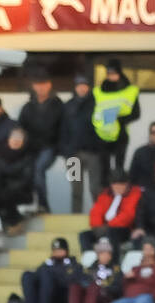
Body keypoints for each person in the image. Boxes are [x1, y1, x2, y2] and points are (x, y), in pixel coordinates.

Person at [18, 67, 64, 211]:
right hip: (31, 148)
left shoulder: (58, 105)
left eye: (44, 83)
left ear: (49, 85)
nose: (41, 87)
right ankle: (31, 205)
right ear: (33, 86)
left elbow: (64, 127)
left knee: (38, 170)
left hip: (50, 147)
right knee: (25, 171)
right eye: (38, 84)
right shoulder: (27, 107)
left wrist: (64, 147)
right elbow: (21, 129)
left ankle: (44, 205)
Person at [62, 76, 104, 214]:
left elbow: (103, 128)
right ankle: (75, 217)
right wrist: (66, 150)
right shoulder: (68, 106)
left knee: (95, 188)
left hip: (92, 153)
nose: (82, 88)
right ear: (75, 87)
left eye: (85, 85)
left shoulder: (97, 104)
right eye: (79, 85)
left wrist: (99, 147)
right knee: (76, 189)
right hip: (73, 155)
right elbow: (63, 129)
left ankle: (99, 216)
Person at [93, 59, 141, 173]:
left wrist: (119, 120)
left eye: (114, 73)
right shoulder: (99, 90)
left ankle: (118, 190)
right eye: (109, 73)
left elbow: (136, 113)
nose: (112, 76)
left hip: (121, 134)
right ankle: (106, 190)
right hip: (103, 134)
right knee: (104, 168)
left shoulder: (130, 90)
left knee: (119, 168)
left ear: (119, 73)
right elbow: (94, 112)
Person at [84, 169, 142, 253]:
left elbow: (128, 215)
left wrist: (108, 227)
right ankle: (89, 260)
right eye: (115, 185)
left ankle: (114, 262)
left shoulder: (135, 193)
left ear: (127, 184)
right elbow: (96, 212)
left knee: (112, 233)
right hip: (104, 228)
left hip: (125, 229)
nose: (118, 188)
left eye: (121, 185)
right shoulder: (105, 194)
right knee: (84, 235)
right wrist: (98, 227)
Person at [22, 237, 80, 303]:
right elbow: (37, 276)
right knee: (27, 275)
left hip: (62, 296)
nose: (57, 253)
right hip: (47, 292)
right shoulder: (48, 264)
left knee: (47, 275)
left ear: (66, 251)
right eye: (55, 250)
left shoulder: (73, 265)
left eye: (60, 250)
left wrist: (53, 275)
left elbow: (69, 281)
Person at [68, 239, 123, 303]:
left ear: (110, 255)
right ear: (98, 255)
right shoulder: (90, 269)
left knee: (95, 287)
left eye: (107, 253)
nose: (105, 256)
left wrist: (103, 288)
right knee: (75, 286)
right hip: (91, 296)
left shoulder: (116, 270)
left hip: (106, 298)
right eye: (102, 253)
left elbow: (118, 287)